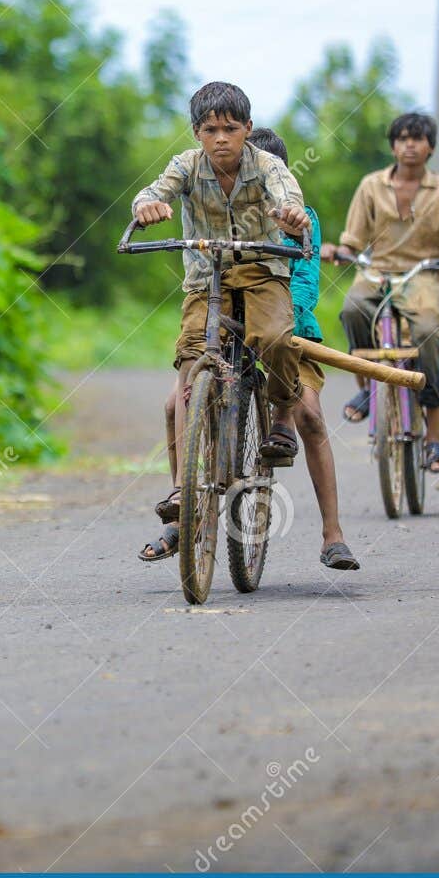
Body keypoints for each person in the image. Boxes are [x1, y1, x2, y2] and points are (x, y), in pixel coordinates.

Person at [142, 128, 359, 570]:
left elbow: (302, 286)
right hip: (225, 319)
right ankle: (183, 513)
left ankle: (332, 532)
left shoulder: (297, 216)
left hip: (288, 327)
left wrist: (273, 323)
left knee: (310, 415)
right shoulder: (210, 206)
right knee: (174, 403)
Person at [131, 81, 308, 554]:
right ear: (196, 133)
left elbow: (288, 194)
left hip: (260, 272)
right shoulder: (185, 166)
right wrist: (147, 206)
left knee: (274, 337)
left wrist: (292, 216)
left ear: (248, 129)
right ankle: (182, 490)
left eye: (231, 128)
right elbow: (155, 190)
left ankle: (283, 414)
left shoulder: (267, 164)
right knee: (190, 364)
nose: (221, 138)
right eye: (210, 130)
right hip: (205, 281)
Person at [323, 112, 439, 473]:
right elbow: (353, 240)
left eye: (418, 138)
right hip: (378, 271)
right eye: (402, 138)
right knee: (353, 308)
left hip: (423, 274)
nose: (409, 144)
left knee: (425, 333)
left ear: (430, 147)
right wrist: (337, 250)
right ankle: (367, 385)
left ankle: (434, 435)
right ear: (392, 145)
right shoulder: (370, 186)